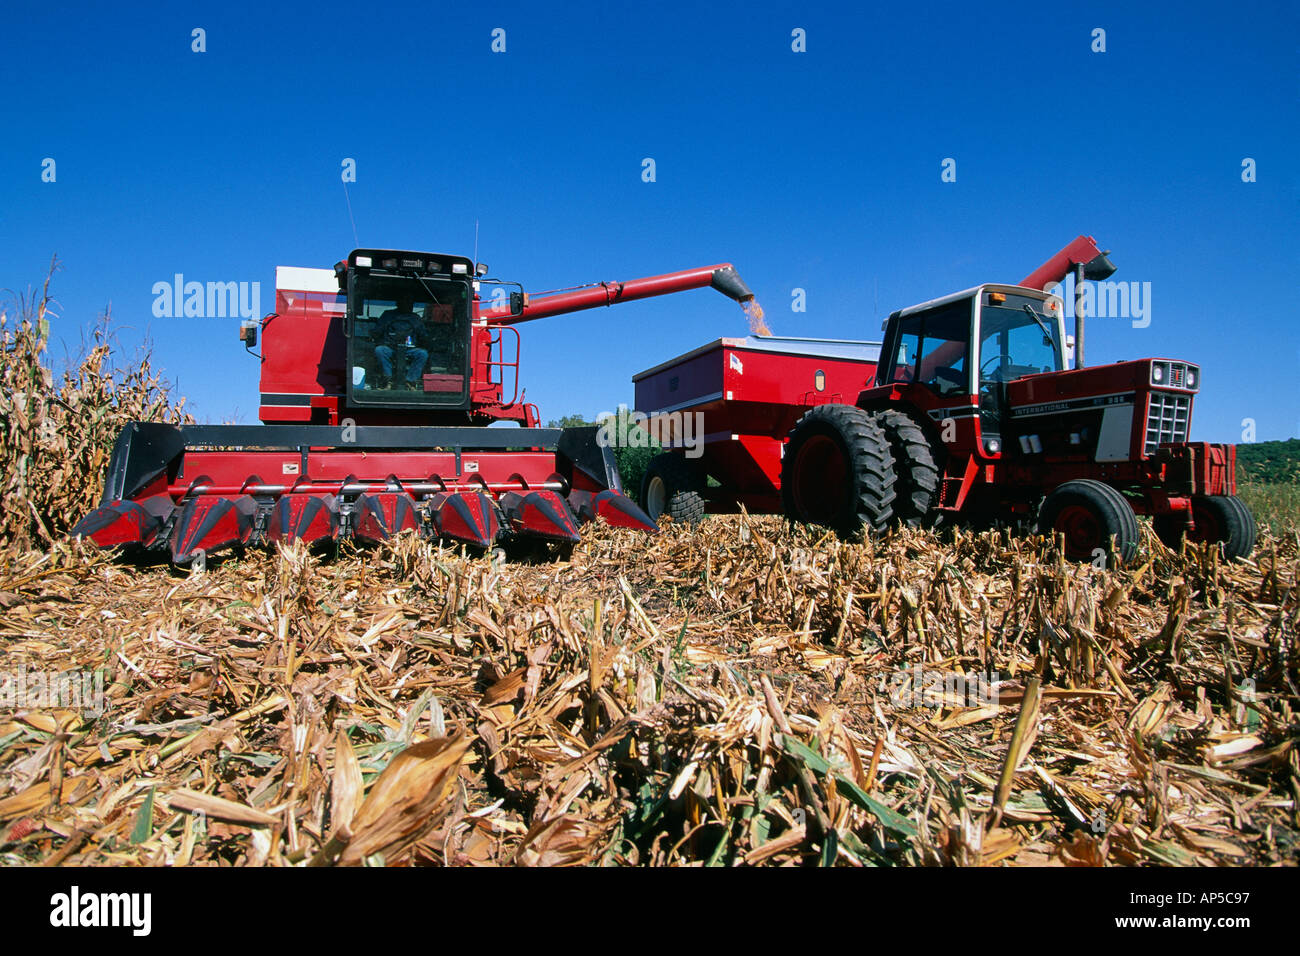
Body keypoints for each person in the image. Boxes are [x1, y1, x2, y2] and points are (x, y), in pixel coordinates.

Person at [372, 296, 429, 388]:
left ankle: (410, 381)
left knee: (423, 354)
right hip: (389, 348)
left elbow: (423, 335)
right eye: (404, 302)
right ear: (398, 303)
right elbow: (377, 331)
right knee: (379, 350)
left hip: (410, 350)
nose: (407, 305)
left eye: (409, 303)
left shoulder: (415, 318)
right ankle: (388, 380)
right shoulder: (387, 315)